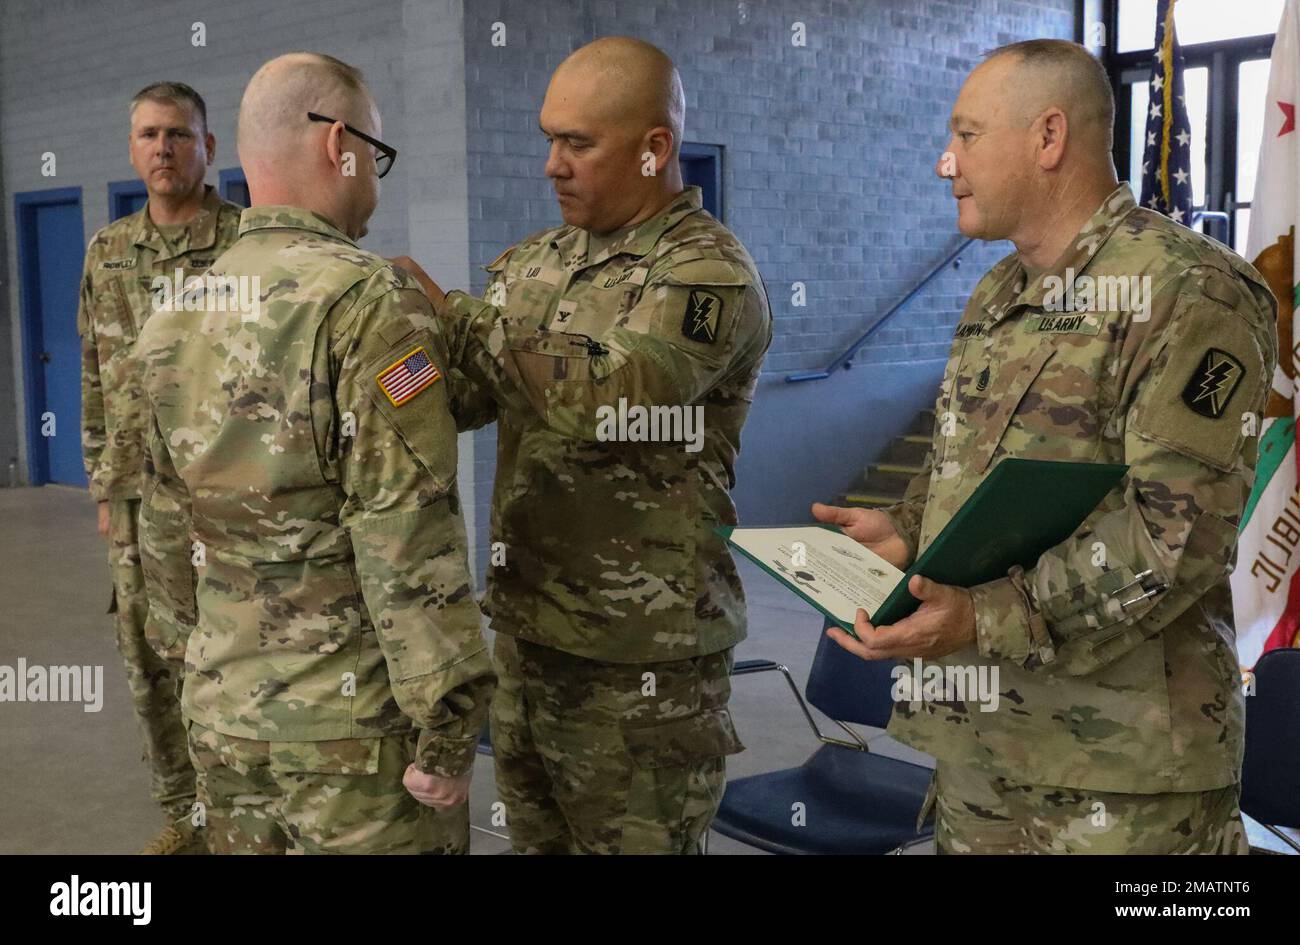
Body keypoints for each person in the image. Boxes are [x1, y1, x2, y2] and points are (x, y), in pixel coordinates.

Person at [814, 39, 1277, 854]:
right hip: (980, 745)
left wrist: (984, 617)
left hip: (1123, 773)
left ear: (1048, 137)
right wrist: (909, 531)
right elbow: (973, 480)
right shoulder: (999, 293)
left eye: (965, 135)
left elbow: (1176, 536)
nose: (943, 162)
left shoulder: (1189, 290)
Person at [395, 36, 772, 854]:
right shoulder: (535, 263)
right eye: (547, 140)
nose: (551, 166)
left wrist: (456, 317)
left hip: (643, 661)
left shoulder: (706, 275)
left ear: (654, 149)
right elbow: (462, 396)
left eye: (578, 143)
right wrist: (390, 359)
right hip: (530, 635)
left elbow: (618, 396)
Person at [135, 52, 494, 854]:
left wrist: (203, 677)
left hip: (225, 719)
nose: (377, 177)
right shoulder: (367, 302)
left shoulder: (171, 322)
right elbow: (407, 532)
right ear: (341, 145)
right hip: (355, 740)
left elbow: (161, 543)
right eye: (379, 155)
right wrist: (448, 725)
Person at [77, 80, 241, 854]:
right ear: (132, 148)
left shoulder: (243, 242)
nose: (163, 149)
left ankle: (234, 804)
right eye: (148, 135)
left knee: (226, 655)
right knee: (145, 658)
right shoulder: (107, 252)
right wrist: (103, 482)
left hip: (222, 502)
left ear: (209, 147)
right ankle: (184, 809)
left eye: (178, 134)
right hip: (135, 497)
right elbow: (93, 372)